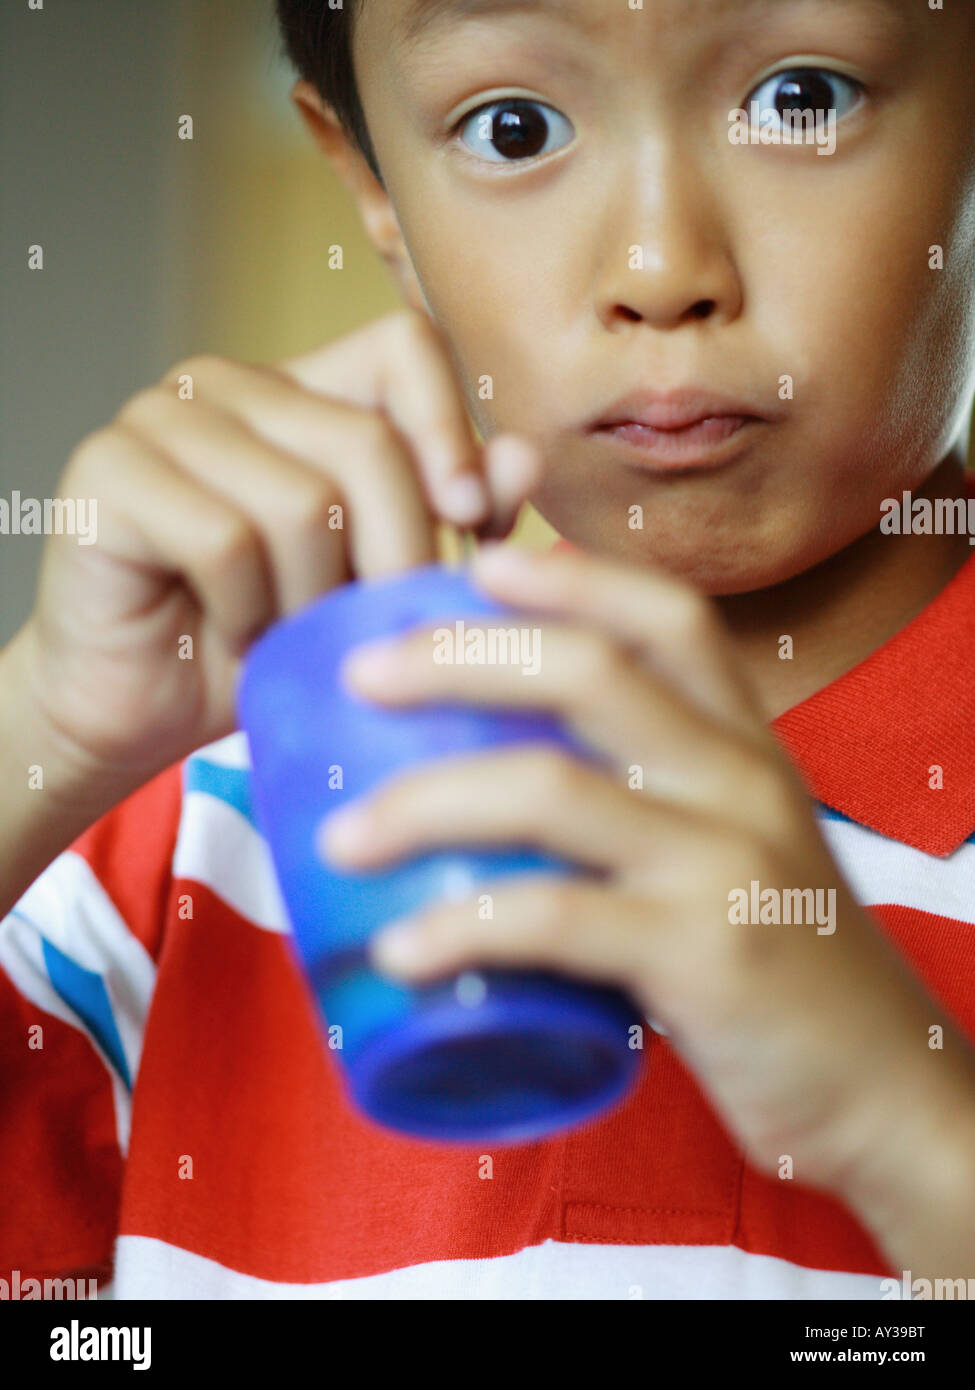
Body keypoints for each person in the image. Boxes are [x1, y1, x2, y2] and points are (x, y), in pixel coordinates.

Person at [2, 0, 974, 1300]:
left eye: (804, 97)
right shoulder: (169, 858)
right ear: (378, 193)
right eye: (513, 126)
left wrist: (910, 1126)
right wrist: (39, 739)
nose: (657, 266)